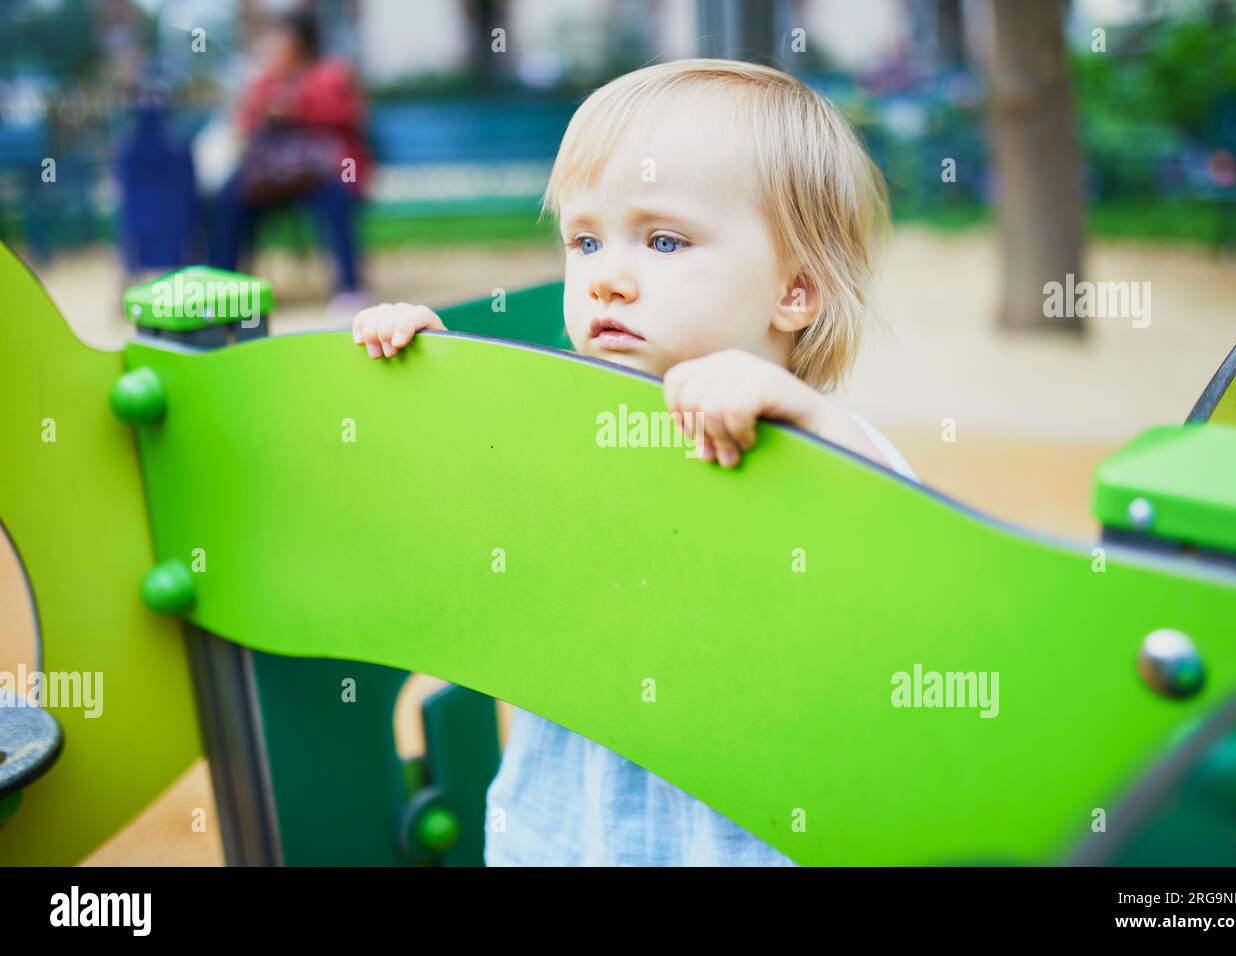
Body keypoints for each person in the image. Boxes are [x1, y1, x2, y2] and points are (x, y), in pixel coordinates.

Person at [350, 59, 917, 865]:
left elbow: (912, 548)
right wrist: (433, 376)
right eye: (585, 240)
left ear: (795, 290)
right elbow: (455, 501)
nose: (607, 279)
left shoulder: (816, 442)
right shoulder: (561, 416)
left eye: (663, 240)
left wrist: (808, 415)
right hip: (568, 830)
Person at [210, 9, 370, 311]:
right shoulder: (264, 82)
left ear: (302, 42)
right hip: (273, 177)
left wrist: (297, 105)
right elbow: (244, 125)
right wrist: (264, 109)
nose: (274, 46)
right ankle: (224, 287)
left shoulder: (331, 74)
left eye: (281, 38)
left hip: (323, 172)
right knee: (230, 198)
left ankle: (350, 286)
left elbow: (349, 116)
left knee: (338, 196)